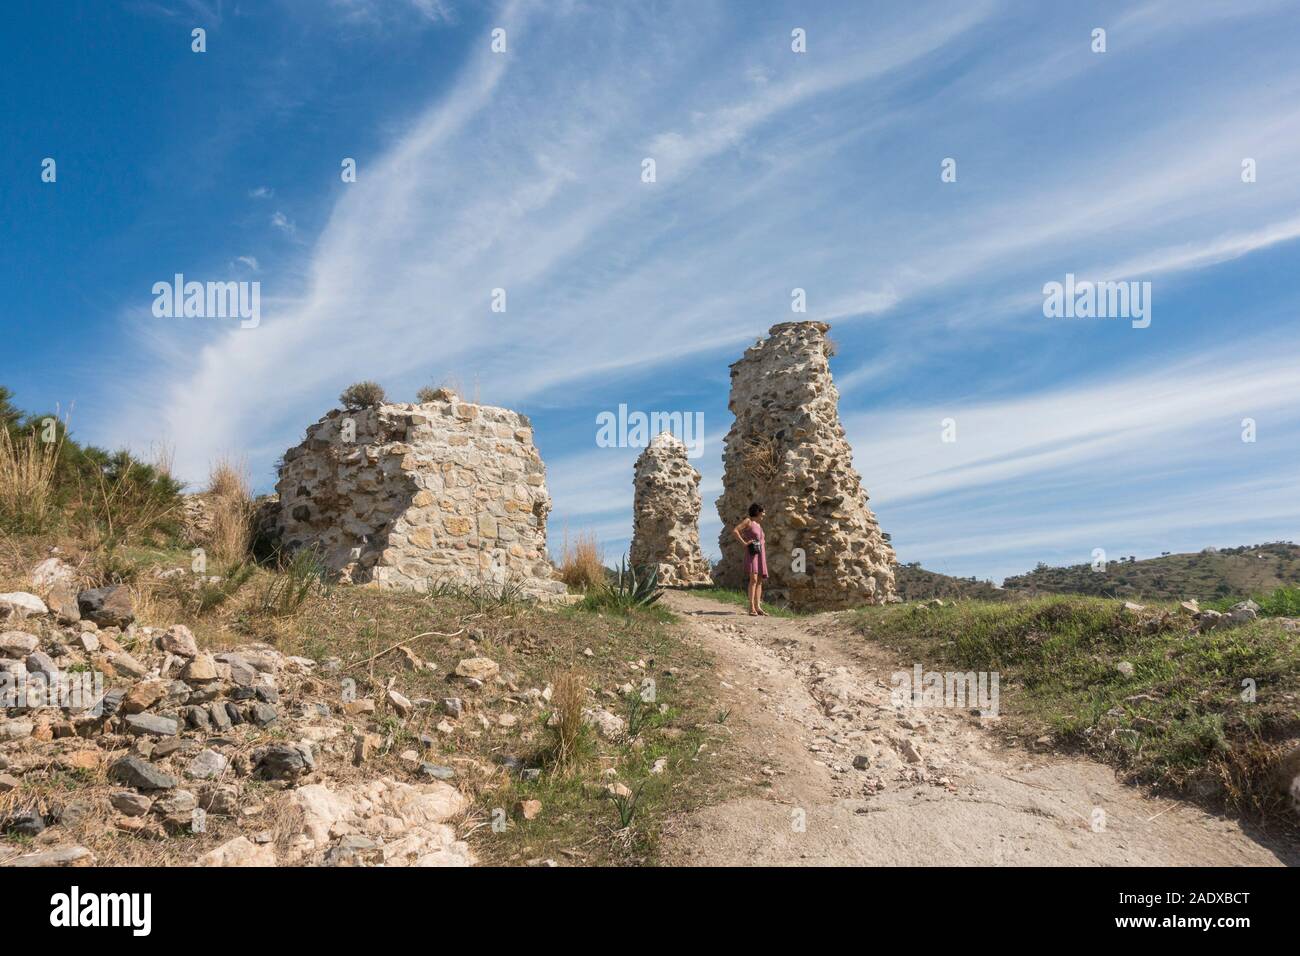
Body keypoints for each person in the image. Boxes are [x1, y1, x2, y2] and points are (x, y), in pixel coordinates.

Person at [732, 502, 768, 616]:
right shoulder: (748, 521)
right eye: (763, 512)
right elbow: (735, 531)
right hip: (752, 553)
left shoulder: (759, 525)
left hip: (760, 554)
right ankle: (751, 607)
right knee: (753, 579)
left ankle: (758, 607)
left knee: (760, 581)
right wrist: (744, 543)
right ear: (758, 512)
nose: (764, 514)